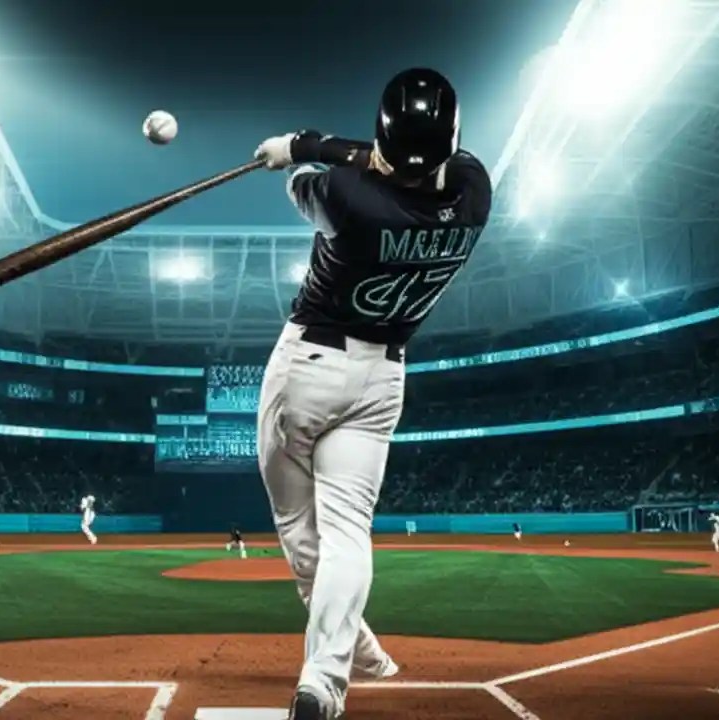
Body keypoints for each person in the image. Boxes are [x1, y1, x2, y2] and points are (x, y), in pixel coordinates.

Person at [253, 67, 492, 720]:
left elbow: (302, 184)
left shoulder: (343, 195)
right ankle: (329, 679)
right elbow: (390, 163)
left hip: (309, 367)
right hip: (383, 379)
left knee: (302, 535)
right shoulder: (475, 192)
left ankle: (345, 654)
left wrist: (297, 147)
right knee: (348, 535)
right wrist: (318, 143)